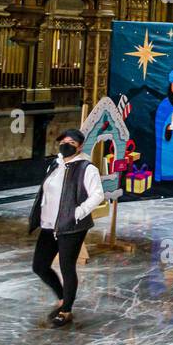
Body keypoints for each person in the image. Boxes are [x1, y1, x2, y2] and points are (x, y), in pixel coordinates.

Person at [29, 129, 105, 328]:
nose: (66, 144)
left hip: (72, 226)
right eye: (63, 141)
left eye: (71, 142)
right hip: (49, 223)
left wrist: (77, 212)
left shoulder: (87, 168)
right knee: (39, 265)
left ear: (79, 146)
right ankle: (63, 296)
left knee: (66, 266)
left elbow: (97, 195)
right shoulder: (54, 164)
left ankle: (66, 310)